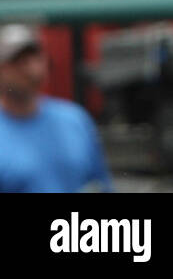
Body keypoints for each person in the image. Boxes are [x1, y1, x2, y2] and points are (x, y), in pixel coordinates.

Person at [0, 25, 112, 192]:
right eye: (19, 62)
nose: (31, 69)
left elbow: (100, 184)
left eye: (36, 59)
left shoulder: (74, 119)